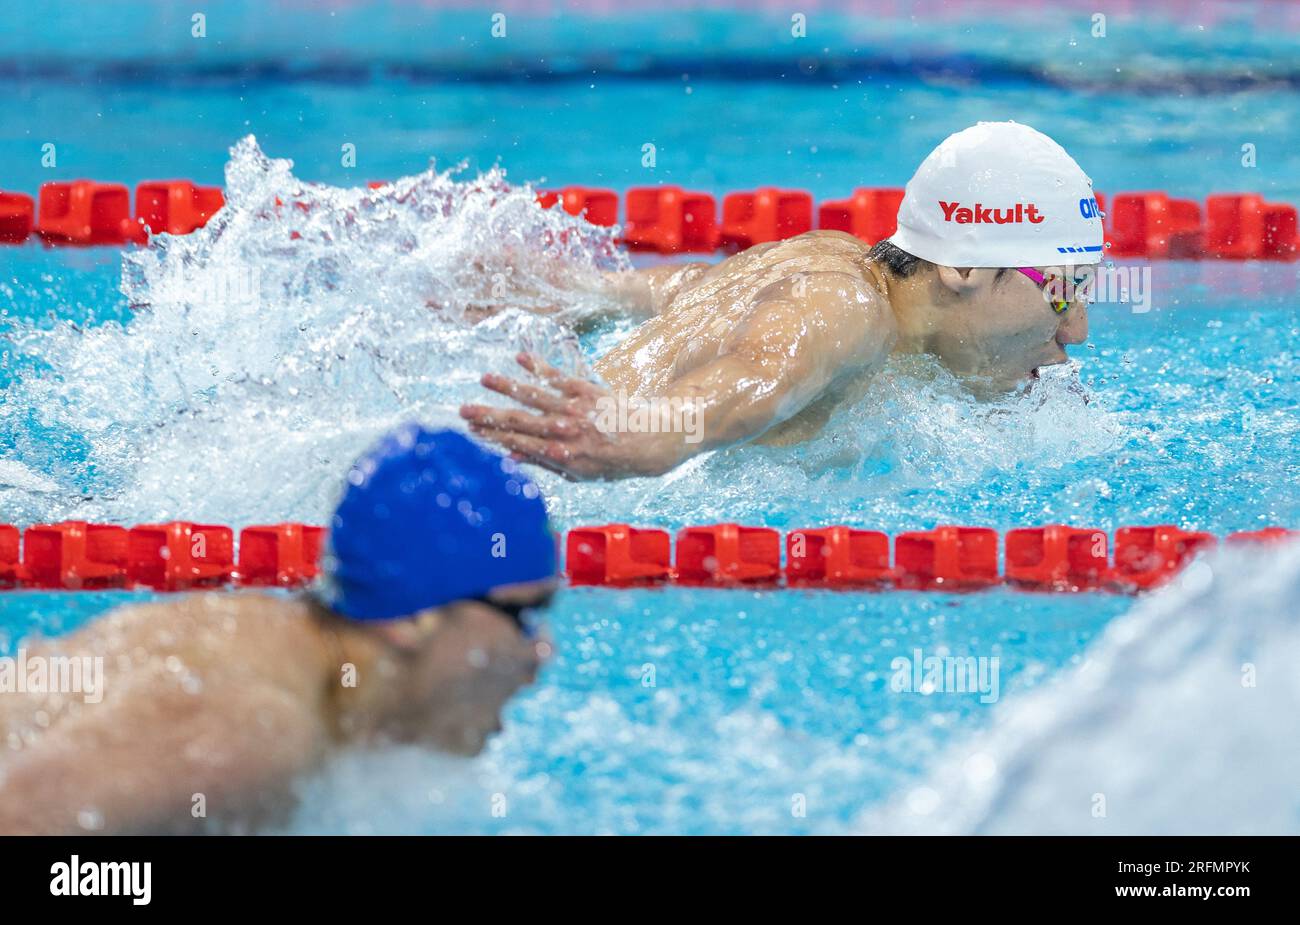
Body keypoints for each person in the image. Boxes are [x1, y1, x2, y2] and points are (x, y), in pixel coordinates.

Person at [460, 121, 1102, 480]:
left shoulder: (832, 257)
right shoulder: (849, 313)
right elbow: (762, 370)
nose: (1076, 332)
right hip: (537, 472)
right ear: (961, 266)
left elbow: (689, 290)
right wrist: (645, 437)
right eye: (1062, 292)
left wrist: (582, 292)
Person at [0, 426, 557, 834]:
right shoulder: (252, 730)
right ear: (414, 618)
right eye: (523, 617)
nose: (541, 652)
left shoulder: (288, 663)